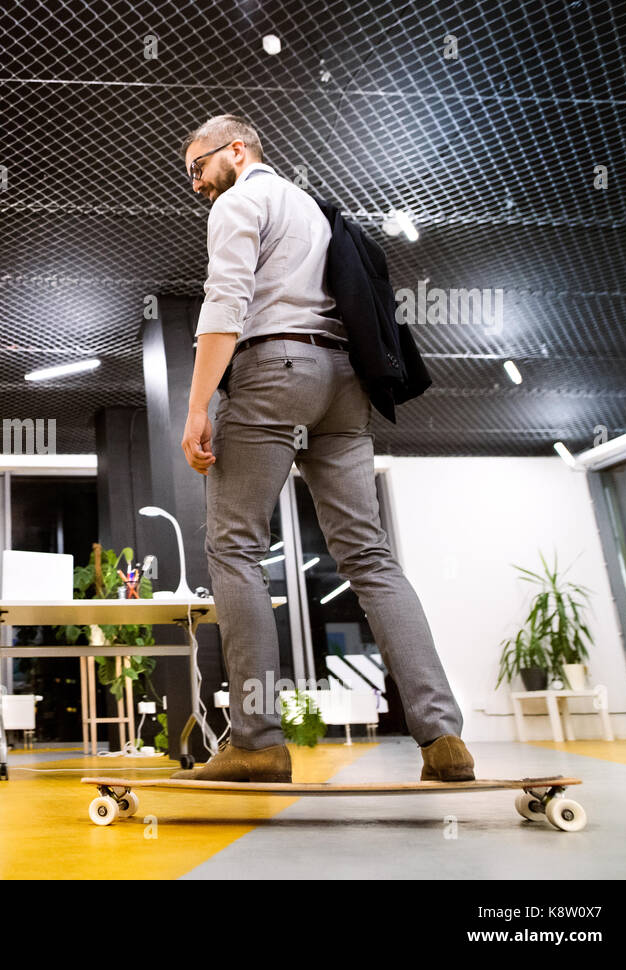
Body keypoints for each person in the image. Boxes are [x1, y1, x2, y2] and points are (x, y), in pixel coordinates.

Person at [174, 114, 473, 784]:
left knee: (234, 547)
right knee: (369, 555)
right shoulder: (314, 208)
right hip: (345, 382)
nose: (194, 181)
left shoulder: (240, 201)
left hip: (273, 369)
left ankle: (257, 742)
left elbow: (224, 305)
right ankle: (443, 737)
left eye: (198, 165)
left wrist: (196, 408)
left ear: (237, 149)